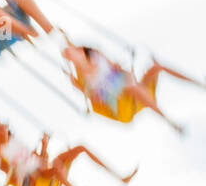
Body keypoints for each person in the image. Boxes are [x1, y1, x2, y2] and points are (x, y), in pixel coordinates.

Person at [0, 118, 135, 186]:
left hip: (43, 172)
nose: (2, 128)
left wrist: (44, 146)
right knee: (54, 168)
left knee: (79, 148)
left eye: (0, 125)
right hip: (32, 184)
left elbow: (42, 160)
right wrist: (18, 165)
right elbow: (9, 173)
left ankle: (120, 177)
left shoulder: (16, 142)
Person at [62, 44, 199, 132]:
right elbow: (90, 96)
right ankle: (171, 122)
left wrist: (122, 68)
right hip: (120, 103)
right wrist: (88, 92)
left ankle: (199, 84)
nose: (73, 53)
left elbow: (118, 70)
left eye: (76, 50)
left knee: (156, 67)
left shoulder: (96, 55)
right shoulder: (80, 75)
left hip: (128, 86)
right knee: (131, 88)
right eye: (71, 54)